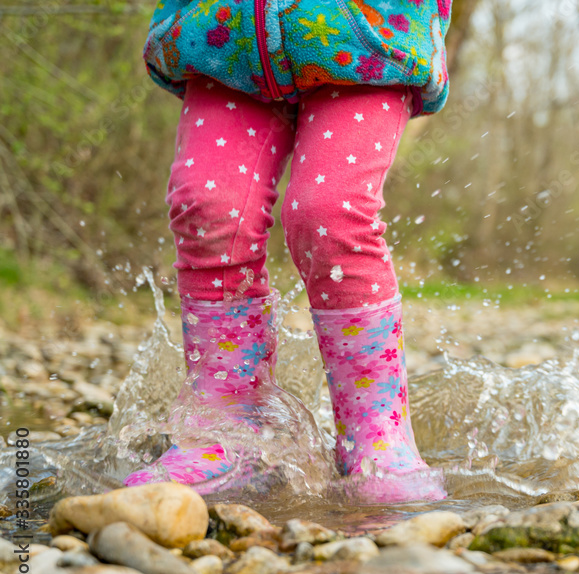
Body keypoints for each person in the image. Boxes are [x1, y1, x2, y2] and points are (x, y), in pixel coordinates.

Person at [123, 0, 452, 502]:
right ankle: (226, 430)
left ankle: (376, 435)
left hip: (365, 35)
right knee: (209, 207)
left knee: (330, 213)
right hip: (222, 38)